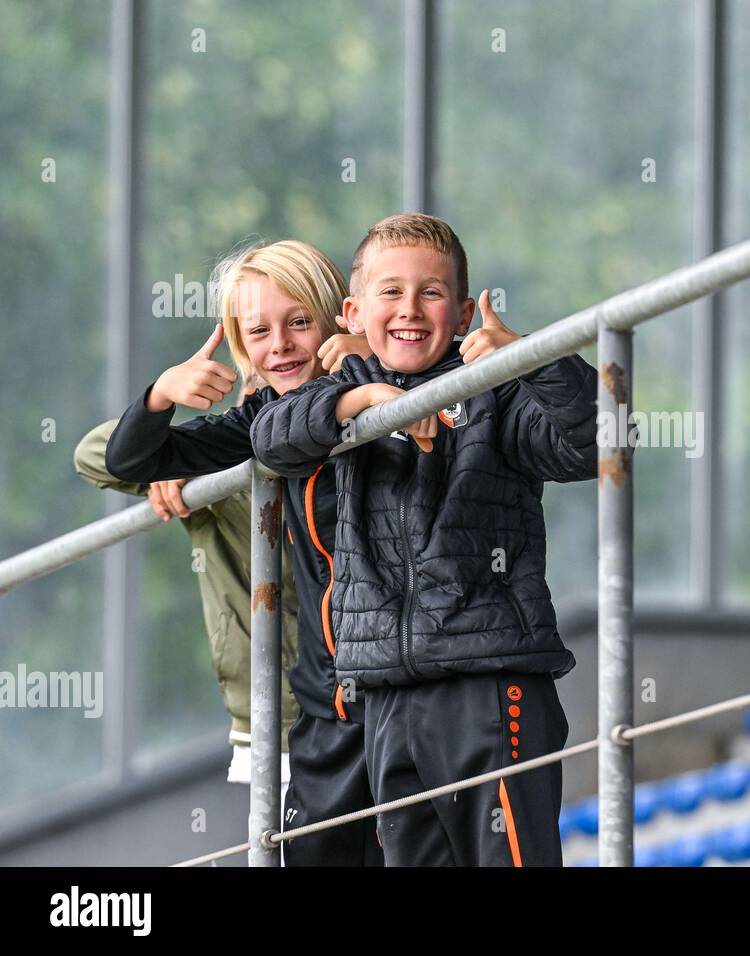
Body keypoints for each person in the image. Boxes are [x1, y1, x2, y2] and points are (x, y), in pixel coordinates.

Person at [251, 213, 597, 866]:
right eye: (390, 292)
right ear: (354, 311)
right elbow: (271, 436)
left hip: (488, 684)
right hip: (383, 695)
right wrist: (367, 405)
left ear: (463, 312)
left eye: (431, 293)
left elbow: (595, 442)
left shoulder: (500, 393)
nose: (409, 309)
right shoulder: (341, 398)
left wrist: (532, 355)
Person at [104, 239, 383, 865]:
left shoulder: (398, 387)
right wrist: (160, 397)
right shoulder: (255, 422)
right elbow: (124, 458)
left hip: (409, 689)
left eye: (299, 322)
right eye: (258, 331)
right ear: (239, 343)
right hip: (322, 704)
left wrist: (369, 375)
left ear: (341, 317)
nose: (280, 344)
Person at [74, 375, 298, 791]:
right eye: (259, 391)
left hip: (350, 705)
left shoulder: (334, 454)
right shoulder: (214, 468)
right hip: (268, 720)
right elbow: (90, 455)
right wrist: (164, 437)